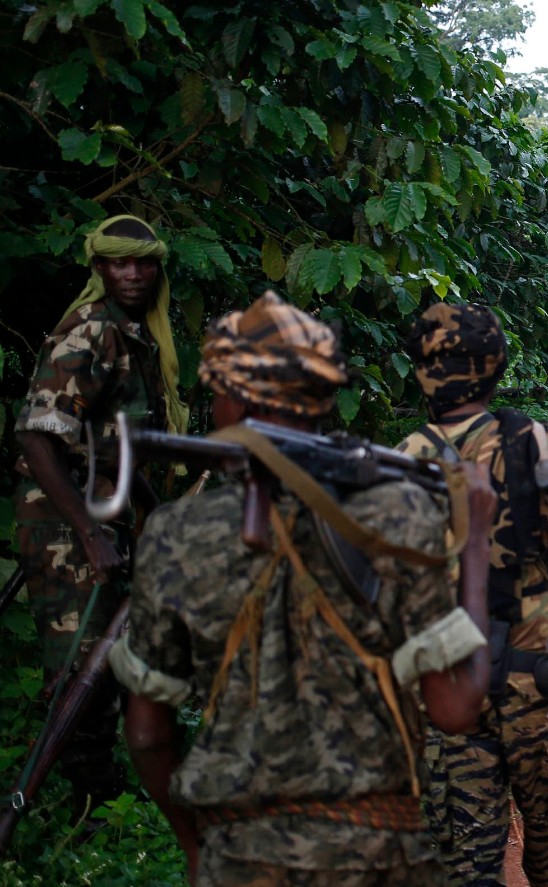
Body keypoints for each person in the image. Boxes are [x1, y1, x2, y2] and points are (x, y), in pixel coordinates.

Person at [110, 292, 495, 885]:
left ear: (231, 400)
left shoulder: (174, 535)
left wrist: (194, 844)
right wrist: (473, 547)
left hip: (236, 858)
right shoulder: (398, 514)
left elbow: (146, 733)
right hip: (380, 856)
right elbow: (457, 706)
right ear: (320, 398)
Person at [397, 302, 548, 887]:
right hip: (541, 679)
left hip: (451, 679)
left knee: (468, 865)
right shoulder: (538, 444)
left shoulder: (406, 461)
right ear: (495, 364)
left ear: (423, 371)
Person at [12, 214, 187, 814]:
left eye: (142, 262)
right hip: (64, 525)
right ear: (99, 268)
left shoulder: (139, 334)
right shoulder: (89, 331)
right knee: (79, 674)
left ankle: (96, 796)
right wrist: (88, 535)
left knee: (106, 669)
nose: (132, 274)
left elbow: (117, 445)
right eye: (119, 262)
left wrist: (157, 515)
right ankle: (71, 806)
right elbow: (37, 437)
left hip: (103, 514)